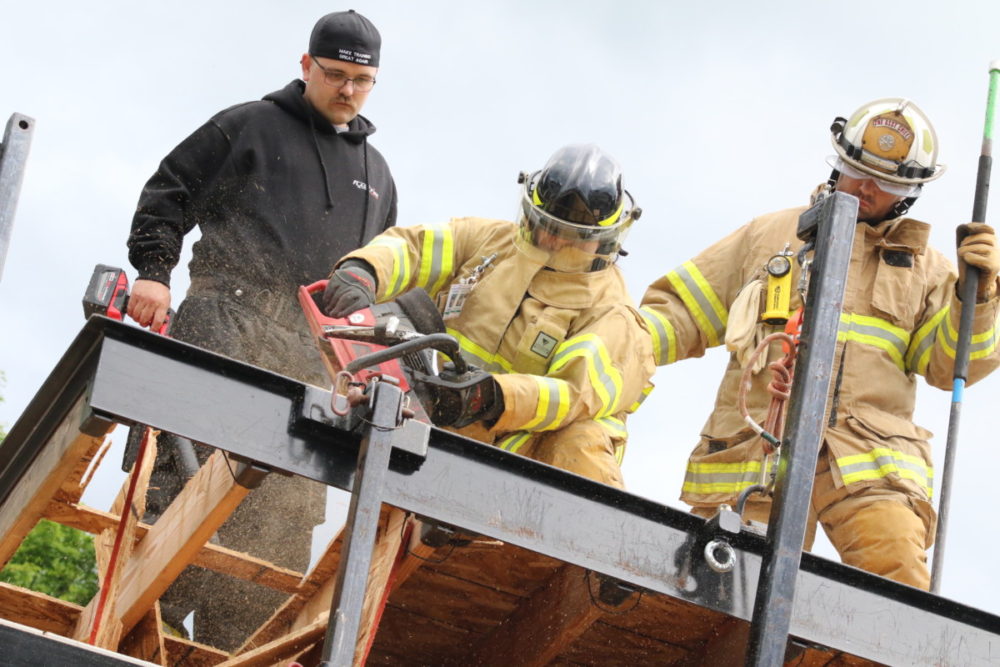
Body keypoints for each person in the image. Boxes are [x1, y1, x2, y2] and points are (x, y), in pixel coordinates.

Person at [640, 98, 1000, 590]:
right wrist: (620, 348)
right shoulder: (770, 236)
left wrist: (977, 296)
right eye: (857, 170)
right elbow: (678, 312)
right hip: (755, 453)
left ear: (912, 191)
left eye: (887, 182)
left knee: (900, 594)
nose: (867, 187)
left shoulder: (930, 272)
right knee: (722, 593)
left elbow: (952, 367)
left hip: (871, 464)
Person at [124, 10, 397, 649]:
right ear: (305, 66)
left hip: (311, 359)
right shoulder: (248, 125)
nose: (348, 90)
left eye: (362, 80)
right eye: (334, 75)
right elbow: (167, 192)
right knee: (185, 480)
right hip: (227, 325)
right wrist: (154, 272)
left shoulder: (379, 176)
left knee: (282, 522)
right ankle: (137, 639)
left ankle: (233, 654)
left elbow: (373, 279)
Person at [323, 144, 655, 488]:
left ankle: (579, 538)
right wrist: (364, 270)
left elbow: (573, 394)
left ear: (604, 240)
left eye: (573, 237)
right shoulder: (491, 242)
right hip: (441, 424)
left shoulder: (612, 311)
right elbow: (414, 246)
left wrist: (493, 396)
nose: (556, 241)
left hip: (527, 465)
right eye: (548, 227)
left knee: (580, 439)